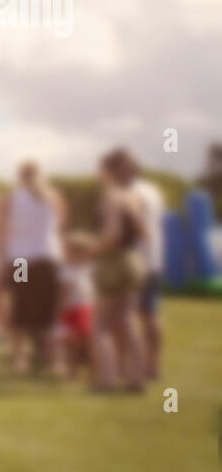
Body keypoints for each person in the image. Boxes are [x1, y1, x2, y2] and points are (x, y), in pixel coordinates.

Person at [0, 161, 66, 373]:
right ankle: (53, 358)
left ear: (20, 176)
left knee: (20, 304)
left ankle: (20, 358)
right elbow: (60, 224)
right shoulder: (53, 197)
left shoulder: (11, 198)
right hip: (48, 257)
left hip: (20, 259)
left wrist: (1, 254)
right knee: (49, 309)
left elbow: (1, 228)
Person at [91, 149, 148, 392]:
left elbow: (112, 235)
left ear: (109, 171)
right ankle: (137, 380)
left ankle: (107, 381)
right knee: (127, 320)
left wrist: (92, 249)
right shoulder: (134, 196)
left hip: (114, 262)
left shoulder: (112, 196)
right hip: (134, 260)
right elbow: (145, 233)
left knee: (101, 325)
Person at [130, 166, 166, 379]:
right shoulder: (154, 191)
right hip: (154, 258)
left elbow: (138, 227)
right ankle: (153, 366)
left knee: (125, 314)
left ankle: (132, 367)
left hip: (136, 260)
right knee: (150, 312)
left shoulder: (132, 193)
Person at [57, 231, 96, 377]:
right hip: (80, 308)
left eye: (66, 250)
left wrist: (59, 310)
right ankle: (74, 371)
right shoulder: (86, 269)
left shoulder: (69, 271)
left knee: (77, 344)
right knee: (77, 343)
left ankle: (75, 371)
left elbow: (63, 293)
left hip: (78, 309)